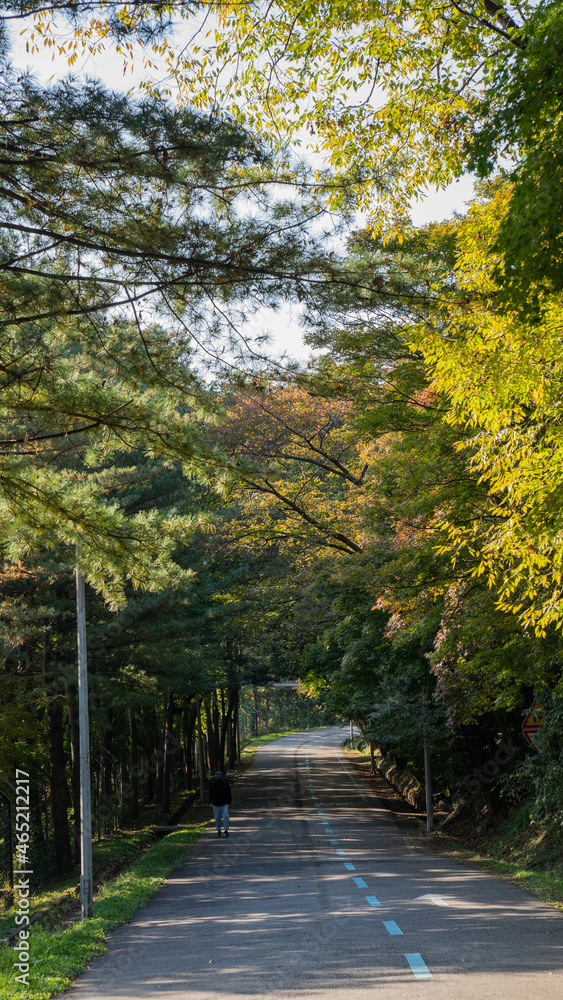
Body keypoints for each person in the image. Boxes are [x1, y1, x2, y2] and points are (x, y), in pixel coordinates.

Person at [208, 770, 231, 837]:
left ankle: (226, 830)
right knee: (217, 818)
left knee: (226, 816)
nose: (218, 778)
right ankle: (219, 830)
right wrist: (211, 802)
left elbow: (228, 793)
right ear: (215, 777)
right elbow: (210, 794)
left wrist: (229, 802)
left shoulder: (225, 784)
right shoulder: (213, 785)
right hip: (216, 804)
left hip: (224, 803)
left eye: (219, 777)